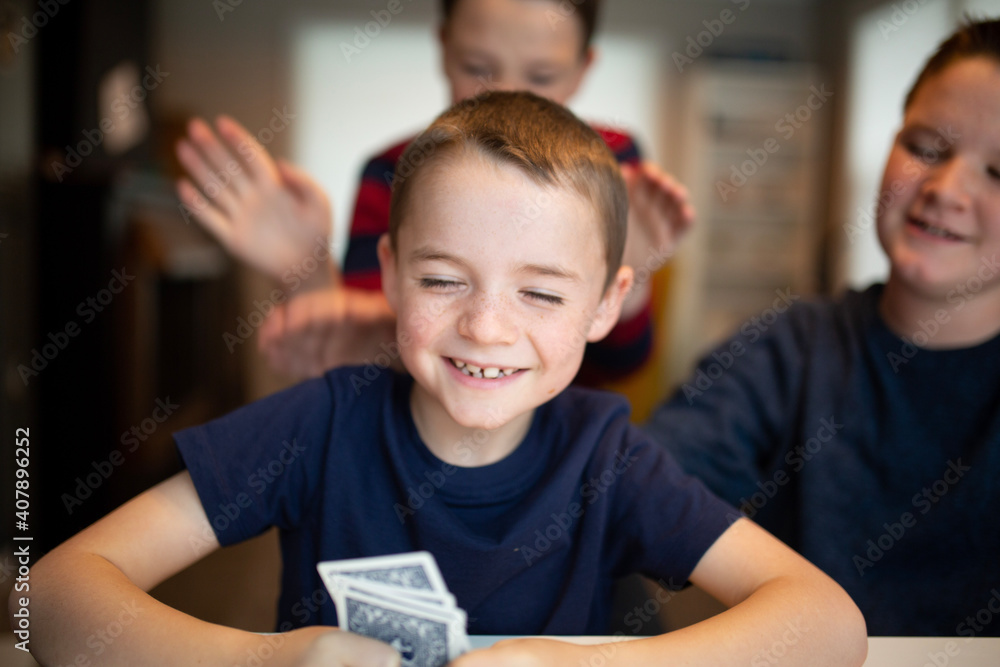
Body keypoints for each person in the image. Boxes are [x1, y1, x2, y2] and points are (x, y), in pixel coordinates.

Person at [17, 92, 867, 666]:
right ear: (388, 273)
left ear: (606, 303)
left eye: (541, 292)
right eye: (442, 279)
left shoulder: (607, 457)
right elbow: (47, 595)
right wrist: (269, 657)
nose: (487, 327)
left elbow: (827, 622)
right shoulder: (316, 424)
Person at [644, 17, 1000, 637]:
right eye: (926, 148)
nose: (947, 189)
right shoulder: (793, 348)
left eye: (999, 172)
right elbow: (646, 488)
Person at [175, 0, 692, 390]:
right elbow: (360, 362)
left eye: (541, 75)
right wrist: (309, 277)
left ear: (583, 68)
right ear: (443, 47)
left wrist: (631, 279)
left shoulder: (612, 167)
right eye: (478, 67)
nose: (506, 93)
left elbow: (620, 366)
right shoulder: (392, 170)